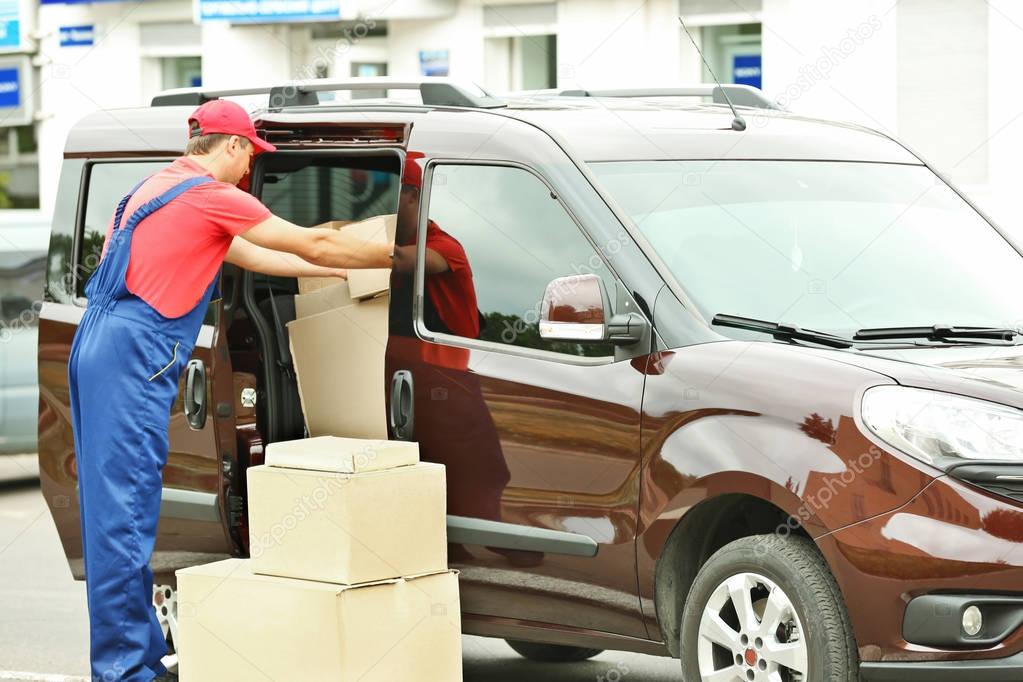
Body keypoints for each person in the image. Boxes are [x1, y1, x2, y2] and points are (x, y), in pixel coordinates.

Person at [67, 98, 392, 682]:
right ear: (234, 146)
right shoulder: (215, 196)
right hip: (134, 349)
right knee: (126, 511)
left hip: (97, 340)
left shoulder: (160, 186)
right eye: (251, 157)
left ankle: (132, 658)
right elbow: (309, 246)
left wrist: (347, 270)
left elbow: (264, 253)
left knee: (112, 510)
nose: (250, 171)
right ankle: (124, 672)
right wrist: (405, 257)